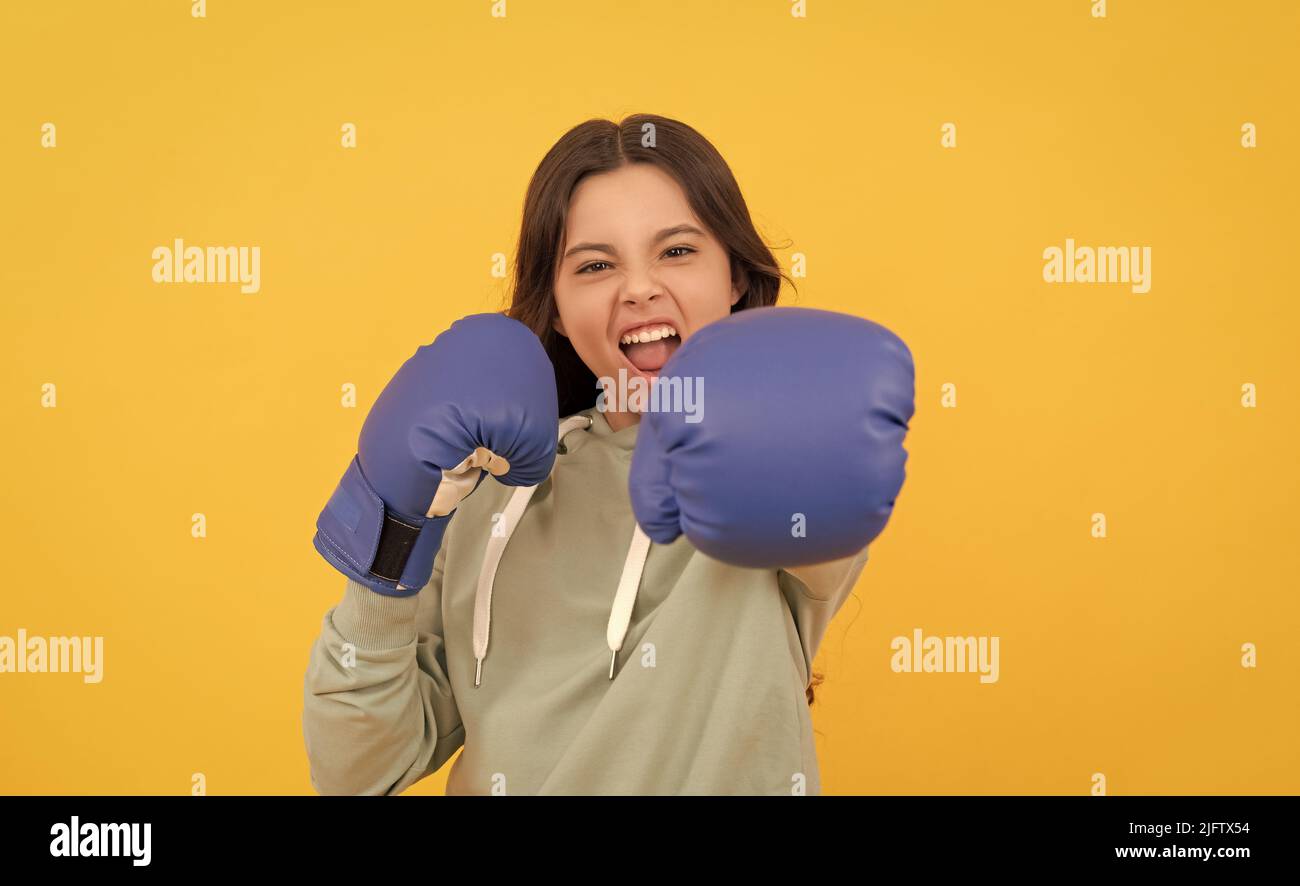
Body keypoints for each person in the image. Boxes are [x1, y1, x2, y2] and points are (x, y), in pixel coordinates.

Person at [302, 113, 915, 795]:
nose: (639, 288)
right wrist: (394, 530)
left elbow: (826, 515)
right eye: (595, 265)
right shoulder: (489, 490)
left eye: (677, 251)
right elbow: (358, 771)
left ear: (736, 277)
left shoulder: (782, 449)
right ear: (558, 308)